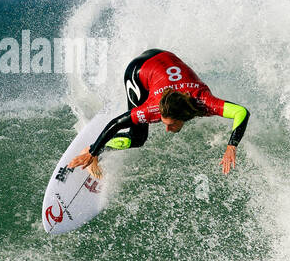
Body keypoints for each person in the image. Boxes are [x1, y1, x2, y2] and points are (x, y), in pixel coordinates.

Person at [67, 48, 249, 179]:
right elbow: (117, 123)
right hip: (138, 71)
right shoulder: (153, 109)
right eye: (165, 123)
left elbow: (242, 112)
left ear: (184, 115)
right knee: (138, 137)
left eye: (171, 124)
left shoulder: (204, 101)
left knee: (138, 128)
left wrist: (231, 146)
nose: (167, 129)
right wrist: (93, 151)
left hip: (163, 58)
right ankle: (93, 150)